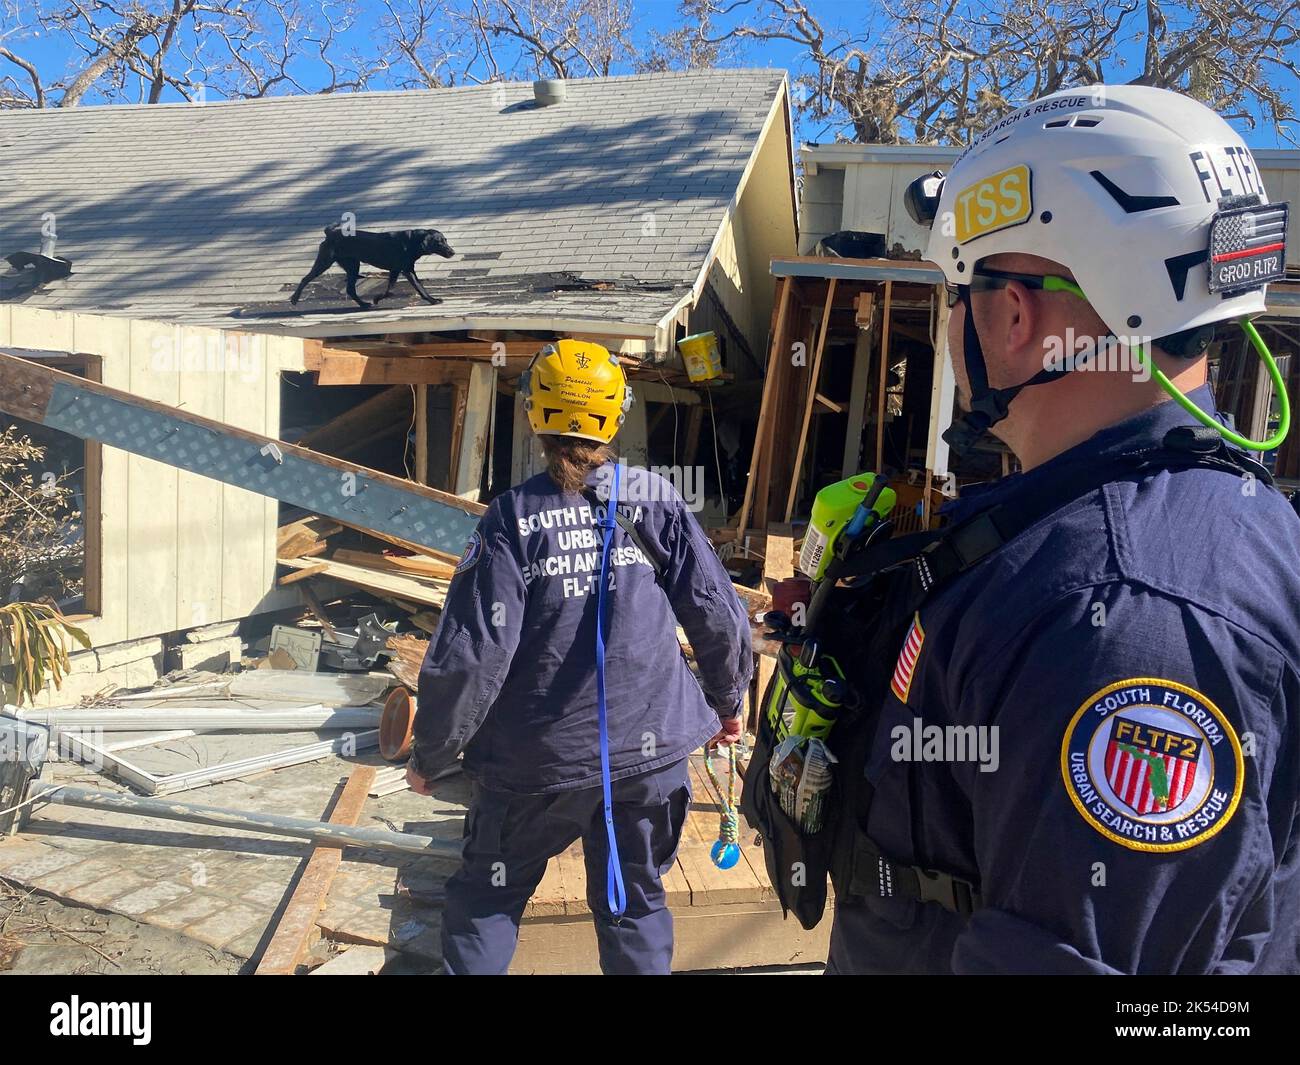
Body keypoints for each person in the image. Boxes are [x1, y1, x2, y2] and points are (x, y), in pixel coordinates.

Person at [819, 85, 1300, 973]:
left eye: (955, 293)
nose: (949, 324)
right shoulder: (1108, 526)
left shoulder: (1123, 617)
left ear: (1011, 314)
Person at [406, 339, 753, 975]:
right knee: (635, 904)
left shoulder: (512, 519)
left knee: (488, 897)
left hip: (534, 766)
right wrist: (731, 702)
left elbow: (473, 655)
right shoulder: (653, 497)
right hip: (649, 756)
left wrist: (431, 752)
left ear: (536, 417)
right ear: (617, 415)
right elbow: (715, 611)